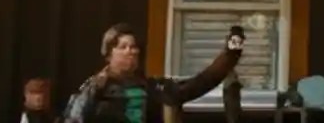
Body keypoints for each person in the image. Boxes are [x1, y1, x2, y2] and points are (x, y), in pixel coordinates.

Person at [61, 22, 244, 123]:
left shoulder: (152, 88)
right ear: (109, 54)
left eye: (133, 47)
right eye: (123, 47)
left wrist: (230, 55)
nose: (130, 51)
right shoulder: (94, 89)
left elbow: (199, 83)